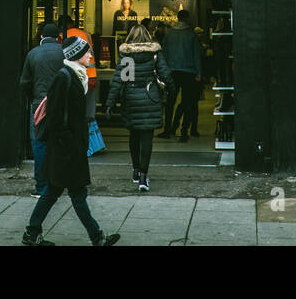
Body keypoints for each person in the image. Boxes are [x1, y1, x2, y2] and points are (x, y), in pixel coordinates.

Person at [22, 36, 120, 247]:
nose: (91, 56)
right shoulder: (64, 77)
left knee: (55, 192)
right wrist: (70, 143)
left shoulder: (76, 76)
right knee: (76, 194)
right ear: (76, 55)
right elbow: (58, 117)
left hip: (68, 148)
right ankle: (97, 237)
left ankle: (32, 232)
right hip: (66, 149)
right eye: (87, 52)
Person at [106, 23, 172, 192]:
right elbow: (165, 74)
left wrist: (110, 102)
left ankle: (135, 170)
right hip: (151, 97)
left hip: (131, 98)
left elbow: (121, 79)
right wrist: (172, 89)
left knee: (134, 135)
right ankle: (143, 175)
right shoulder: (155, 53)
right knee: (147, 137)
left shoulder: (127, 54)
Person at [19, 22, 65, 198]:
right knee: (59, 142)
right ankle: (58, 183)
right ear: (58, 37)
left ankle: (41, 187)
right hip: (60, 103)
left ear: (41, 37)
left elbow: (24, 82)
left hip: (39, 104)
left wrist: (32, 97)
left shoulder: (33, 54)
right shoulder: (64, 53)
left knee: (40, 143)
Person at [162, 10, 203, 142]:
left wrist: (163, 71)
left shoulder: (169, 35)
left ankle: (167, 130)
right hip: (189, 72)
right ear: (186, 18)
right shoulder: (191, 35)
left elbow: (164, 54)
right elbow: (197, 54)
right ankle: (184, 131)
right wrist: (199, 72)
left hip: (172, 72)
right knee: (187, 102)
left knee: (169, 103)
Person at [58, 15, 97, 122]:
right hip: (91, 75)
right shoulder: (86, 35)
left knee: (75, 110)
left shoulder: (62, 37)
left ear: (62, 26)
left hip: (74, 76)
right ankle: (90, 133)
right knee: (89, 113)